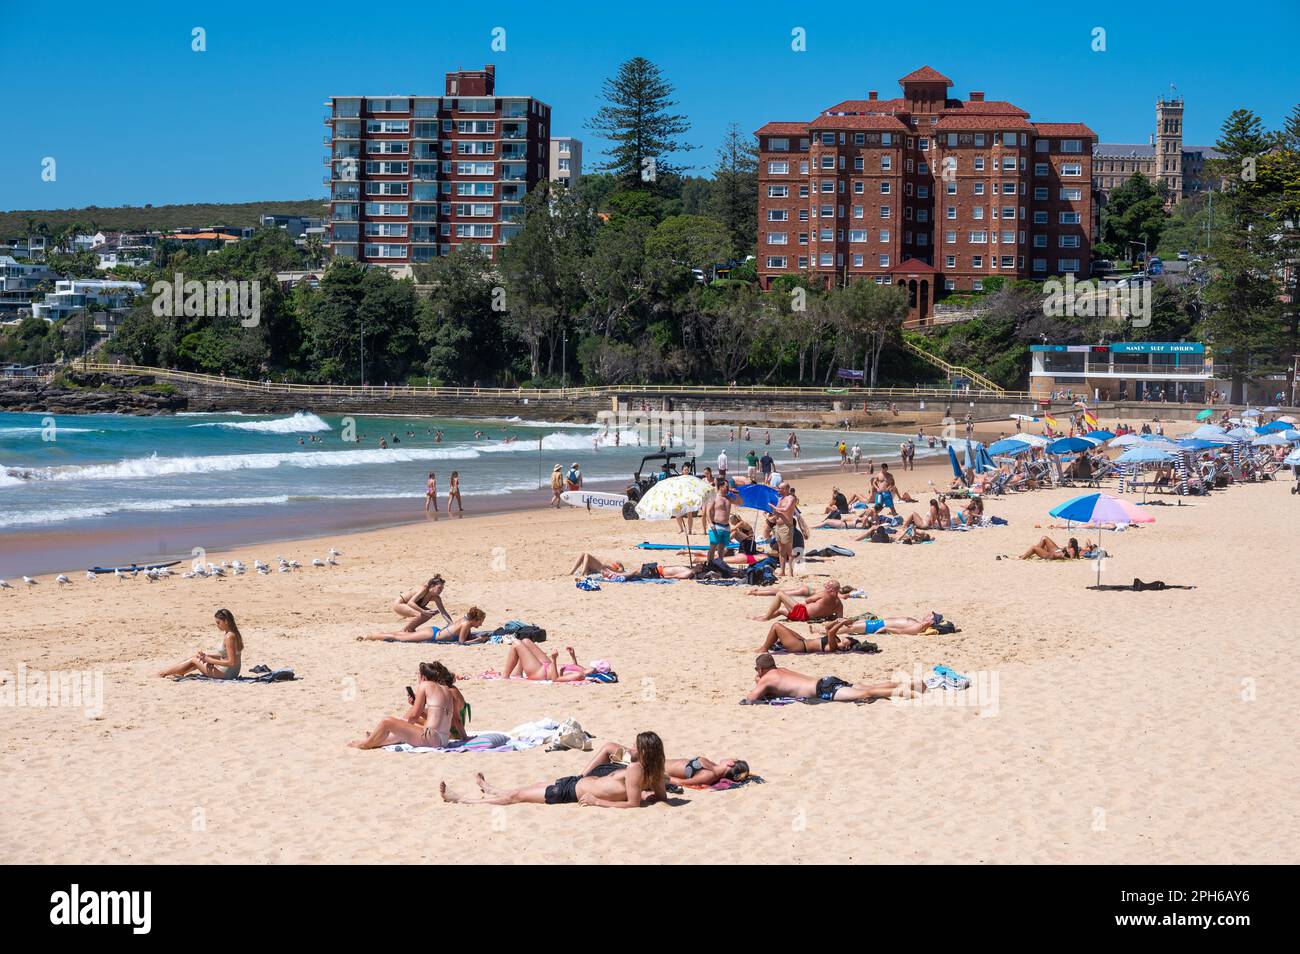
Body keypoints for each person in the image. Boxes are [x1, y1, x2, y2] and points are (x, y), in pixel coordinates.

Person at [440, 731, 668, 808]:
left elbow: (632, 804)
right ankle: (490, 789)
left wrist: (599, 802)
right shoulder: (654, 771)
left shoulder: (637, 768)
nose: (630, 748)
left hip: (570, 793)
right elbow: (660, 796)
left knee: (517, 796)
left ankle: (461, 800)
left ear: (645, 752)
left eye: (634, 746)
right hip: (572, 784)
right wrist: (648, 795)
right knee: (528, 789)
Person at [348, 661, 466, 749]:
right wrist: (465, 738)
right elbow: (456, 719)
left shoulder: (424, 685)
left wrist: (401, 727)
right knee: (402, 728)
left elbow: (414, 715)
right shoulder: (447, 690)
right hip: (444, 740)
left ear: (423, 677)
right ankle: (378, 739)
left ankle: (365, 744)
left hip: (430, 738)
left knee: (387, 721)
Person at [746, 654, 926, 702]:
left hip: (823, 690)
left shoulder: (766, 678)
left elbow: (751, 699)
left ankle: (902, 691)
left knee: (866, 693)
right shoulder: (781, 670)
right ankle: (910, 683)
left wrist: (758, 680)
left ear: (760, 669)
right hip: (826, 680)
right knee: (865, 686)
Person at [583, 741, 749, 787]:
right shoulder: (711, 767)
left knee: (609, 747)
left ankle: (581, 777)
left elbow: (682, 782)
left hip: (650, 765)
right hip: (653, 760)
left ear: (730, 763)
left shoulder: (709, 774)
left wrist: (657, 777)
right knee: (614, 749)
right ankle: (585, 777)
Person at [159, 608, 244, 679]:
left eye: (219, 623)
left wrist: (210, 660)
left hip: (226, 674)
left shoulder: (229, 637)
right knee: (198, 658)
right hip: (231, 672)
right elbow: (225, 656)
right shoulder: (232, 633)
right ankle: (175, 672)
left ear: (226, 621)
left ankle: (163, 674)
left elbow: (231, 662)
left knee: (195, 660)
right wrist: (207, 656)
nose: (217, 625)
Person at [502, 640, 613, 683]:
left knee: (516, 644)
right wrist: (573, 656)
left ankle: (505, 676)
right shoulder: (582, 670)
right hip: (546, 666)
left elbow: (556, 679)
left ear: (594, 670)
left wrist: (554, 660)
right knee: (526, 641)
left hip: (541, 673)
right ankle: (518, 673)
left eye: (592, 667)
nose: (589, 667)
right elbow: (573, 668)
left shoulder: (579, 675)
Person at [359, 607, 487, 643]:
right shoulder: (465, 624)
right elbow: (462, 642)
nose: (481, 625)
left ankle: (373, 635)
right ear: (476, 619)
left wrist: (479, 637)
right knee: (399, 637)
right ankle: (370, 636)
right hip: (432, 634)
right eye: (480, 622)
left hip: (434, 631)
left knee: (402, 635)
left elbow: (466, 637)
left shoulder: (466, 622)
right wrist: (479, 640)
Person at [749, 578, 844, 622]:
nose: (825, 587)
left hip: (802, 612)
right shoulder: (839, 604)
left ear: (832, 589)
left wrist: (792, 603)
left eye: (826, 586)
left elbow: (806, 601)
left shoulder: (824, 594)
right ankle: (761, 617)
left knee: (780, 594)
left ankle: (765, 618)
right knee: (780, 610)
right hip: (807, 618)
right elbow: (839, 619)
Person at [758, 621, 867, 654]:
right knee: (783, 629)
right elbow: (828, 629)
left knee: (776, 626)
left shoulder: (833, 647)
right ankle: (766, 646)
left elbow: (831, 633)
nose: (848, 638)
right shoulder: (836, 640)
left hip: (800, 646)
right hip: (803, 641)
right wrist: (837, 621)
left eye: (849, 640)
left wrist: (842, 623)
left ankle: (764, 648)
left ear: (847, 646)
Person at [818, 611, 942, 639]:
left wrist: (886, 628)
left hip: (879, 625)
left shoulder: (918, 626)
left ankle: (826, 633)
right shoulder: (918, 622)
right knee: (852, 624)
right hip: (880, 622)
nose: (927, 614)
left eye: (930, 615)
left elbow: (903, 632)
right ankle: (825, 630)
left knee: (851, 628)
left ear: (931, 621)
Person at [770, 481, 798, 577]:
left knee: (789, 550)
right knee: (781, 551)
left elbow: (786, 509)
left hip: (786, 526)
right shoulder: (780, 498)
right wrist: (773, 512)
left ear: (786, 489)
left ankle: (791, 572)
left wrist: (775, 508)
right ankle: (782, 571)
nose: (778, 490)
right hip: (778, 526)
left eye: (780, 488)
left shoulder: (791, 498)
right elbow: (777, 510)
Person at [705, 476, 732, 564]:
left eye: (728, 487)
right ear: (721, 487)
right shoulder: (714, 497)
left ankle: (720, 565)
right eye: (726, 487)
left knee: (722, 549)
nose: (728, 488)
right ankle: (709, 565)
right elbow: (707, 511)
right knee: (712, 548)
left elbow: (740, 500)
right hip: (716, 525)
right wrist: (710, 523)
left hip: (726, 526)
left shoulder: (728, 498)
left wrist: (735, 492)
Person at [1019, 535, 1088, 560]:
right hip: (1055, 550)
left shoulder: (1072, 550)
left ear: (1070, 543)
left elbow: (1071, 559)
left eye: (1068, 542)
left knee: (1033, 547)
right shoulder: (1072, 549)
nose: (1068, 543)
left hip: (1051, 554)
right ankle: (1027, 555)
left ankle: (1023, 557)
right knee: (1044, 538)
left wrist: (1064, 556)